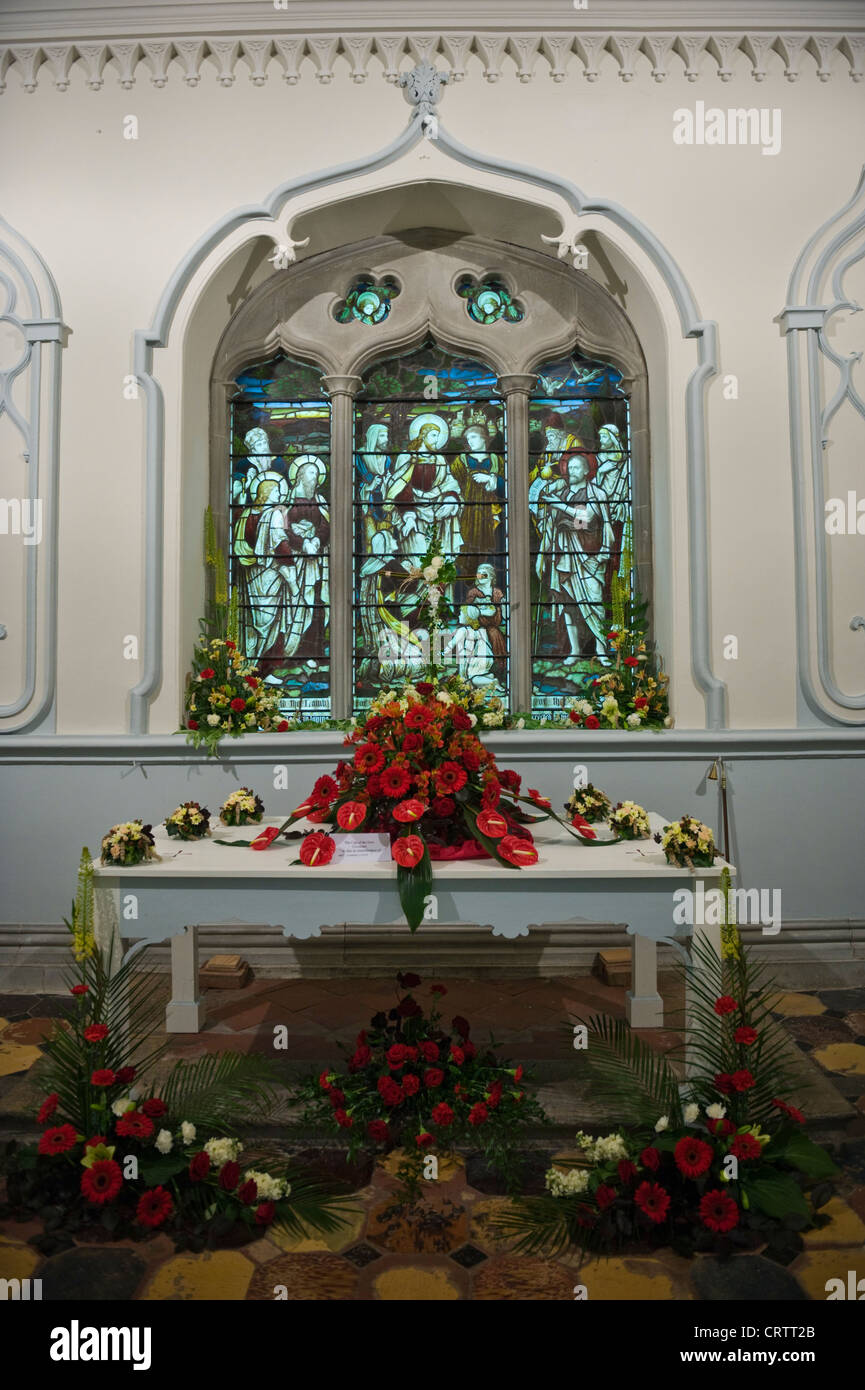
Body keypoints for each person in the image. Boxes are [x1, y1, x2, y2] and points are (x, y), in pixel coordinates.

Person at [534, 453, 615, 666]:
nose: (572, 471)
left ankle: (601, 649)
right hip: (565, 557)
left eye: (577, 467)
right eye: (569, 467)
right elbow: (552, 526)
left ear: (587, 471)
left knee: (595, 602)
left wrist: (558, 505)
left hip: (590, 556)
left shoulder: (597, 493)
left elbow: (587, 519)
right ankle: (575, 650)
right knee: (568, 603)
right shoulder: (562, 493)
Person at [450, 421, 505, 562]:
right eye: (468, 439)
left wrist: (490, 478)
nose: (470, 441)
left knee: (492, 546)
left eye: (473, 437)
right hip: (468, 511)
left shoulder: (496, 460)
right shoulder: (461, 460)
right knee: (467, 546)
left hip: (491, 511)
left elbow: (508, 487)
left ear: (484, 438)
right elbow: (451, 485)